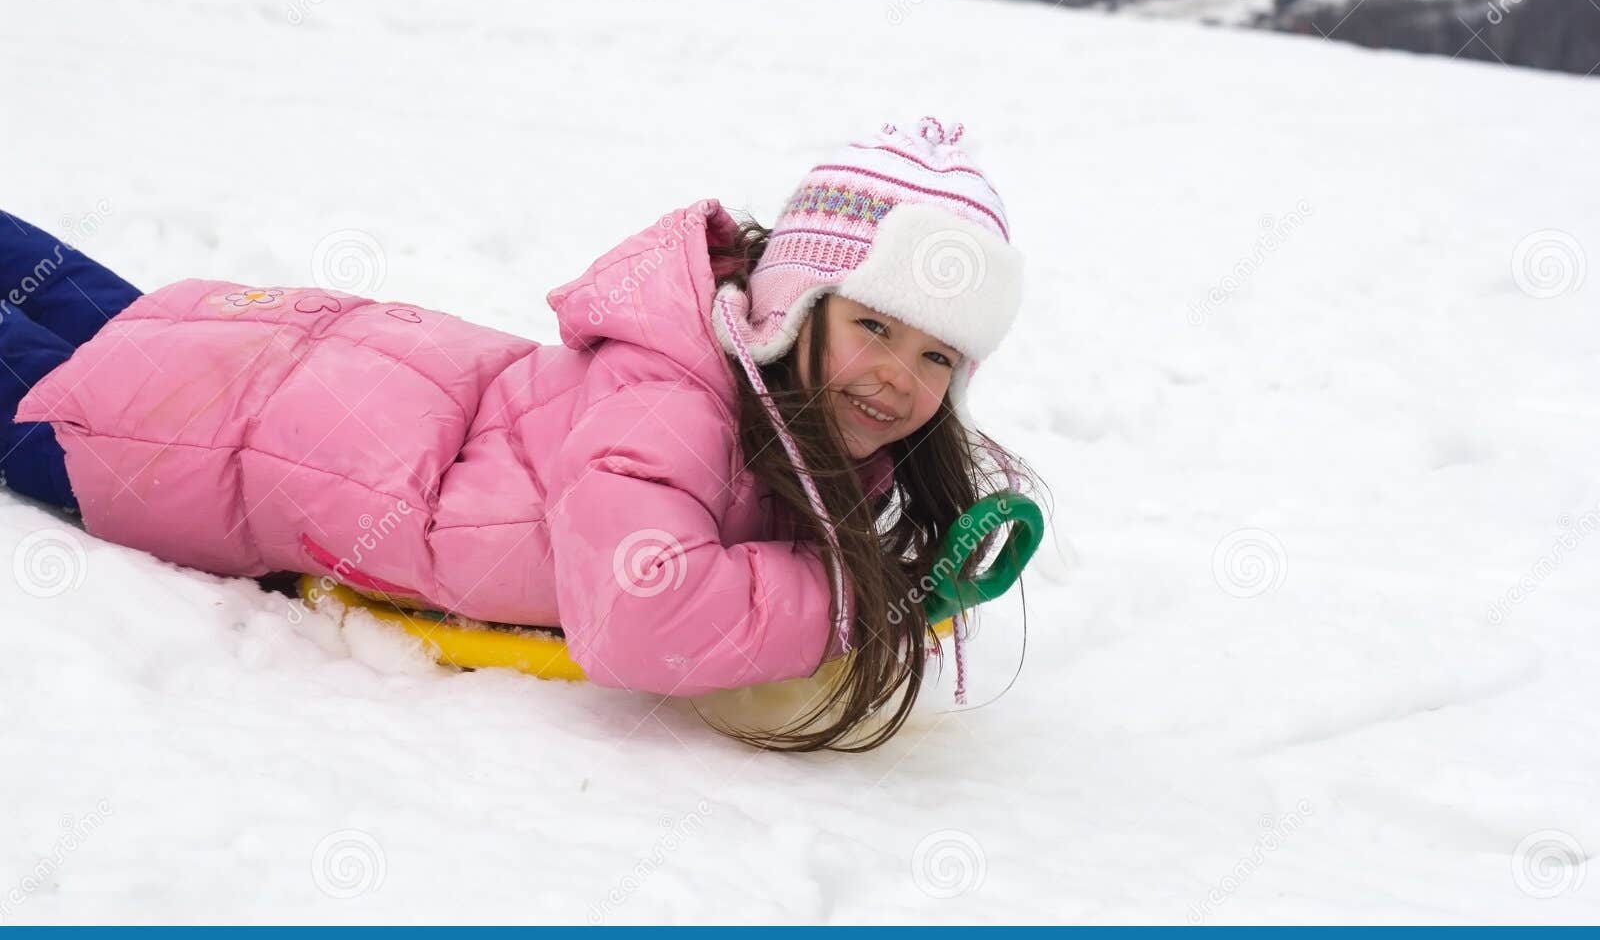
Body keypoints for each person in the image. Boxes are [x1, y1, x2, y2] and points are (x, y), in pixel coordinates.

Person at [4, 116, 1042, 751]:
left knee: (64, 295)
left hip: (273, 364)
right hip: (168, 440)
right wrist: (858, 595)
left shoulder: (781, 410)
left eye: (938, 355)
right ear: (789, 304)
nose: (902, 377)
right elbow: (641, 609)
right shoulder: (671, 399)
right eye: (873, 325)